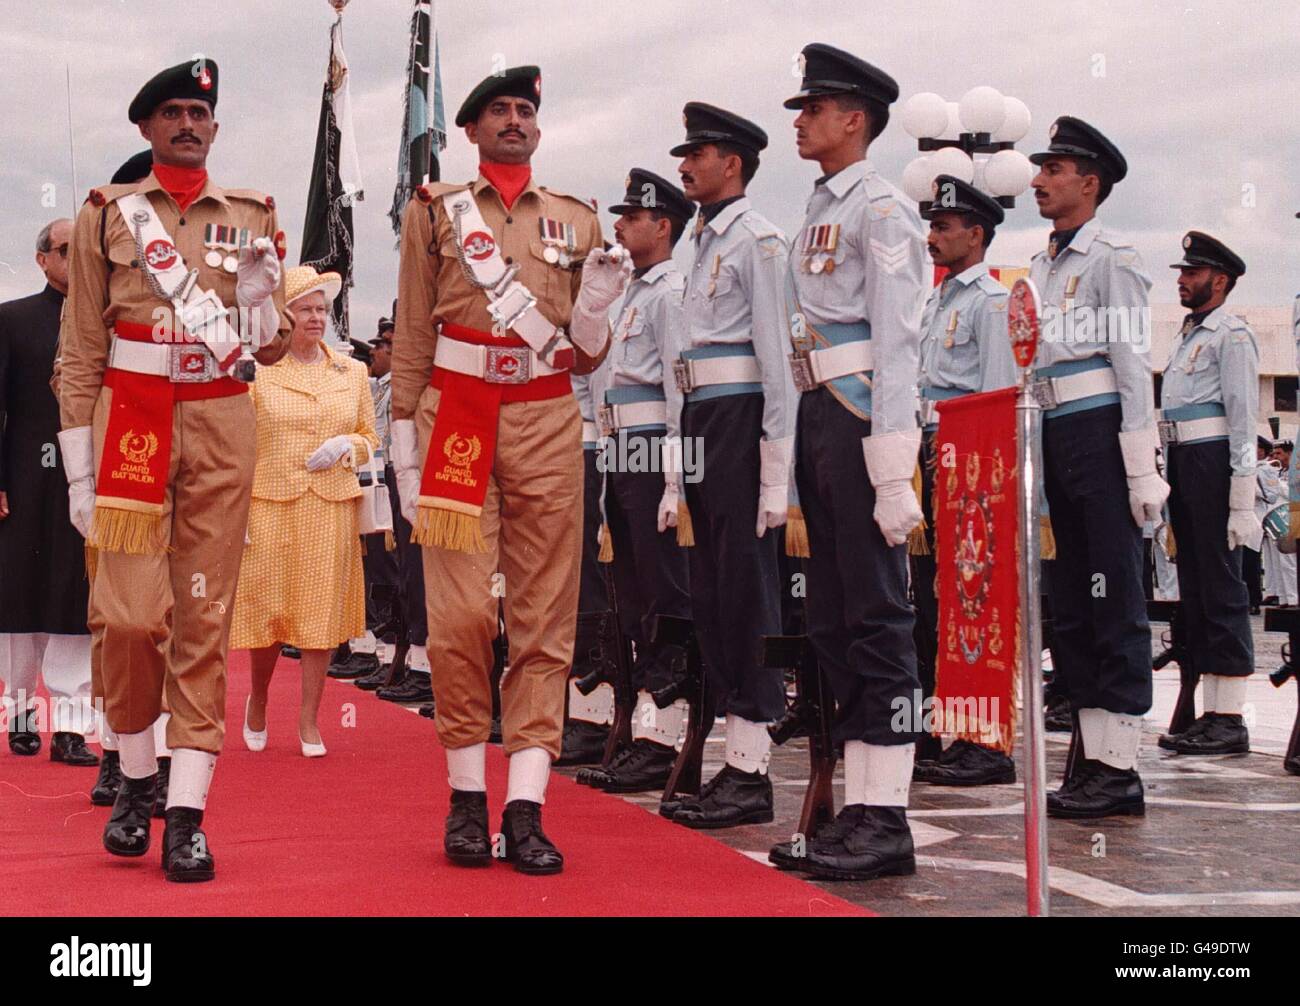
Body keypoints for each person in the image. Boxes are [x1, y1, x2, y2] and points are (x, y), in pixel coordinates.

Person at [390, 65, 626, 874]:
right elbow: (416, 333)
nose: (517, 120)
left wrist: (594, 302)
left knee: (544, 616)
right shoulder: (436, 213)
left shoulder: (577, 218)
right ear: (472, 128)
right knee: (458, 617)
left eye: (527, 110)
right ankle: (465, 794)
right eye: (501, 110)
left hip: (547, 420)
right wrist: (400, 449)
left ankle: (526, 805)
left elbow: (590, 351)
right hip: (454, 414)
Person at [58, 58, 288, 882]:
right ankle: (136, 772)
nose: (188, 123)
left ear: (214, 129)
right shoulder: (105, 216)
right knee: (125, 618)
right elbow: (81, 349)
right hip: (131, 422)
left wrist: (261, 298)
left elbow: (269, 345)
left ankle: (186, 812)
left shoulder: (255, 214)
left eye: (200, 112)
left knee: (202, 620)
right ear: (148, 128)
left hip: (222, 425)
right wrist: (78, 474)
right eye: (172, 112)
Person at [768, 45, 926, 880]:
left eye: (813, 108)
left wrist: (894, 464)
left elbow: (898, 341)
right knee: (830, 615)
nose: (800, 121)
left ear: (853, 117)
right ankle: (859, 802)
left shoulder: (883, 209)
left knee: (877, 613)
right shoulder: (819, 206)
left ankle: (889, 811)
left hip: (865, 415)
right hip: (819, 412)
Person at [659, 101, 794, 829]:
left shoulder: (760, 242)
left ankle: (753, 765)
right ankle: (730, 759)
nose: (685, 165)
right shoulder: (705, 244)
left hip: (744, 422)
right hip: (706, 420)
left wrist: (778, 469)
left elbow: (778, 360)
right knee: (712, 593)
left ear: (732, 162)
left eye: (697, 154)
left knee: (748, 592)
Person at [1027, 116, 1164, 819]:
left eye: (1052, 170)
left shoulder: (1114, 258)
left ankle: (1119, 766)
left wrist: (1140, 467)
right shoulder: (1042, 263)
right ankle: (1090, 755)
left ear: (1090, 180)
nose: (1037, 181)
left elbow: (1132, 365)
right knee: (1072, 599)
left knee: (1113, 596)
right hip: (1052, 428)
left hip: (1100, 431)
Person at [576, 169, 695, 793]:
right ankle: (639, 727)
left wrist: (678, 477)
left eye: (632, 216)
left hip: (655, 446)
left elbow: (681, 387)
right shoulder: (631, 295)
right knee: (630, 590)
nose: (619, 226)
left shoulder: (673, 293)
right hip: (621, 447)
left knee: (661, 591)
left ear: (664, 226)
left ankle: (665, 734)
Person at [230, 266, 377, 757]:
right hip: (269, 502)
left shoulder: (352, 371)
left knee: (320, 616)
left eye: (321, 308)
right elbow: (239, 445)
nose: (316, 317)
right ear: (284, 316)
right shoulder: (259, 370)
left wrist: (347, 445)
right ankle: (258, 698)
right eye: (305, 308)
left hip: (329, 504)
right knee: (269, 613)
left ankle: (310, 719)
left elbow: (369, 438)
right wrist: (238, 514)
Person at [911, 173, 1019, 787]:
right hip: (930, 451)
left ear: (975, 235)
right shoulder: (938, 300)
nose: (934, 236)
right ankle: (937, 725)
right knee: (930, 598)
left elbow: (1000, 396)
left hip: (972, 459)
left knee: (973, 599)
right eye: (931, 226)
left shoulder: (991, 303)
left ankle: (984, 741)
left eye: (945, 227)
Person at [1153, 232, 1257, 756]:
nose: (1181, 279)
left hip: (1213, 461)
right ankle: (1208, 710)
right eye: (1181, 271)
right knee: (1194, 586)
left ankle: (1231, 715)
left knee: (1220, 584)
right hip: (1182, 460)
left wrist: (1242, 496)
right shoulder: (1188, 334)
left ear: (1220, 280)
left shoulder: (1230, 335)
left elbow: (1243, 420)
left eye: (1192, 273)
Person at [0, 219, 99, 768]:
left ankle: (71, 727)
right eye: (66, 250)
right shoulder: (11, 319)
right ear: (42, 259)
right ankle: (18, 712)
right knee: (19, 600)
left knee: (75, 601)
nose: (76, 258)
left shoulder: (106, 321)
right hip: (23, 477)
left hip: (86, 482)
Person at [370, 318, 436, 704]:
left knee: (421, 573)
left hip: (425, 472)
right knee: (407, 573)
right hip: (396, 473)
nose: (383, 349)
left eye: (389, 342)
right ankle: (415, 660)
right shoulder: (386, 388)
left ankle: (428, 666)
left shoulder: (417, 381)